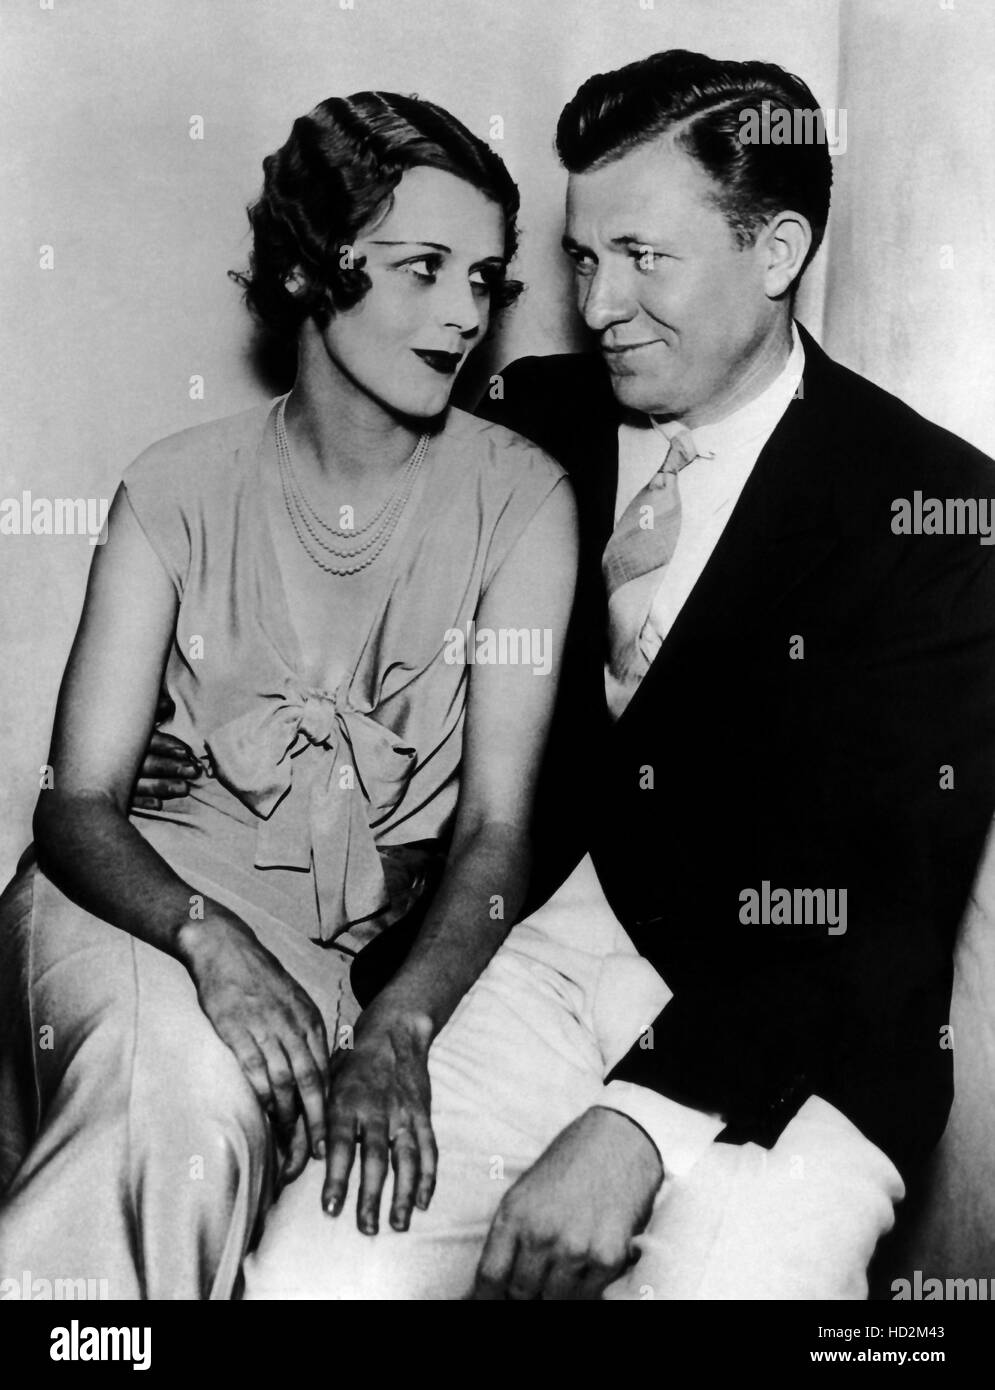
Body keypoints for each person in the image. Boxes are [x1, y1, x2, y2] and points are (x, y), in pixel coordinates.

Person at [221, 50, 995, 1300]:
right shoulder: (541, 417)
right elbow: (346, 541)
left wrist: (636, 1121)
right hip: (547, 942)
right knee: (318, 1273)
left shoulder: (934, 511)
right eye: (583, 258)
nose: (599, 301)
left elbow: (871, 896)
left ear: (777, 249)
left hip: (802, 1023)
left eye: (643, 257)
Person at [0, 91, 578, 1299]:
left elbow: (495, 832)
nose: (466, 312)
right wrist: (211, 943)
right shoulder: (173, 485)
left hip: (342, 962)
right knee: (181, 1107)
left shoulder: (520, 501)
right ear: (314, 273)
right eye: (423, 268)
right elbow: (77, 805)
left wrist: (401, 1025)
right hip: (144, 906)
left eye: (484, 278)